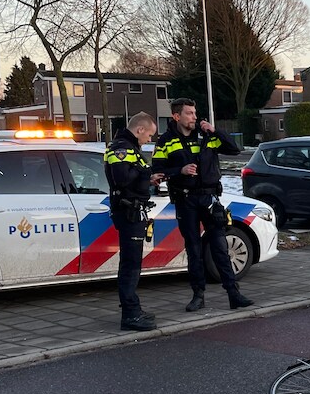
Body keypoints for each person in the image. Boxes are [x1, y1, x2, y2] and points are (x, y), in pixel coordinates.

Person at [153, 98, 253, 311]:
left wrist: (215, 130)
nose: (194, 117)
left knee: (219, 246)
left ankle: (233, 294)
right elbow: (157, 171)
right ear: (176, 116)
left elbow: (233, 149)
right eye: (189, 113)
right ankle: (198, 295)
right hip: (185, 199)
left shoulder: (206, 136)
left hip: (209, 199)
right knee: (194, 249)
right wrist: (178, 171)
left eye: (195, 113)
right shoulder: (166, 140)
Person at [104, 112, 162, 331]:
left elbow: (131, 177)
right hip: (128, 211)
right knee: (130, 265)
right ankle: (130, 315)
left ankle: (133, 308)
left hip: (132, 210)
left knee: (132, 263)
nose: (149, 140)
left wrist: (148, 177)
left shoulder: (128, 147)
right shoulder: (122, 148)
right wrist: (146, 173)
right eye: (149, 135)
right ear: (139, 130)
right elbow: (122, 178)